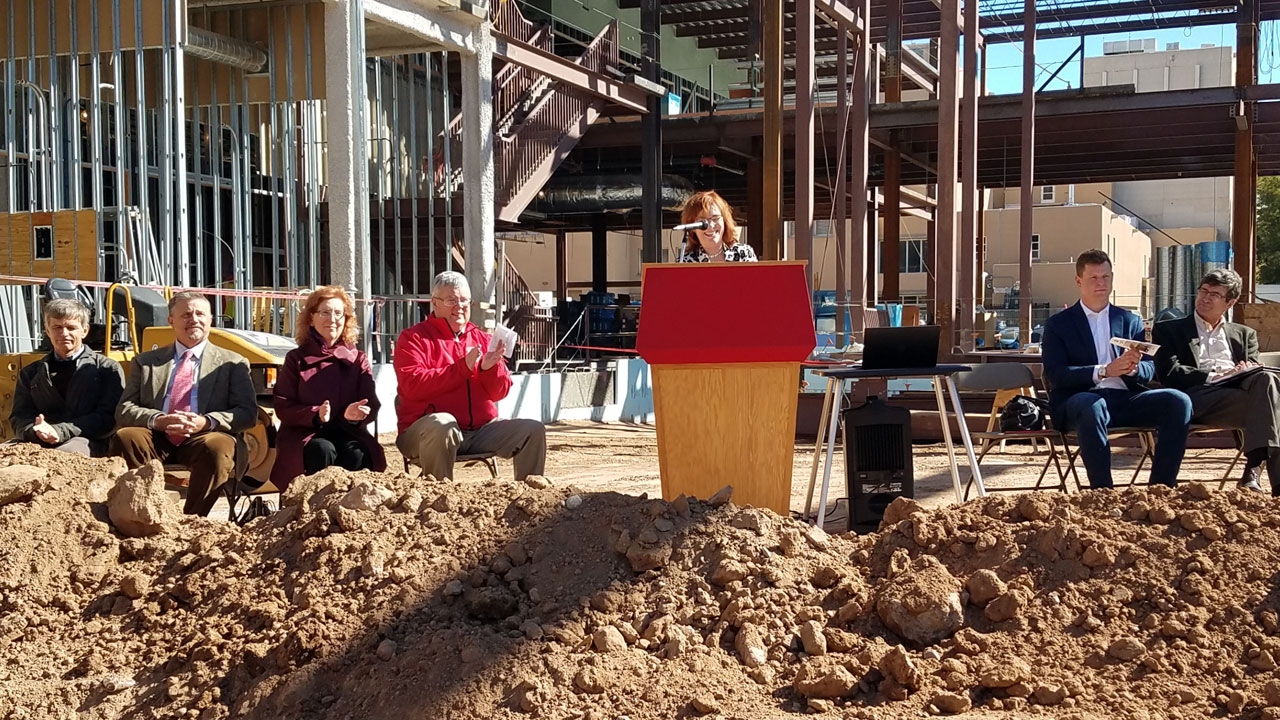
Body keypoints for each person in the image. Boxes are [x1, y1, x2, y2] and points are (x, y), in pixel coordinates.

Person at [1042, 249, 1191, 489]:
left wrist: (1131, 368)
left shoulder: (1130, 320)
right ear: (1078, 281)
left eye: (1106, 277)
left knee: (1178, 401)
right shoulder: (1059, 324)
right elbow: (1056, 375)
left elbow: (1149, 369)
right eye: (1094, 278)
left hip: (1124, 398)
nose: (1101, 283)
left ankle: (1161, 488)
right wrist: (1103, 371)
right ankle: (1102, 492)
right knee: (1092, 404)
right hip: (1079, 401)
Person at [112, 291, 258, 516]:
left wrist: (206, 422)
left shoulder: (233, 363)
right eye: (186, 314)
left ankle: (192, 520)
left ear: (210, 320)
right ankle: (143, 513)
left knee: (218, 447)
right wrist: (157, 420)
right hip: (157, 436)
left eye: (200, 314)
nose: (194, 319)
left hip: (205, 435)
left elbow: (247, 413)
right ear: (171, 321)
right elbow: (124, 409)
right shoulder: (147, 362)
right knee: (127, 437)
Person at [395, 271, 546, 482]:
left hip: (480, 431)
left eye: (464, 300)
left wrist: (489, 369)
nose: (459, 306)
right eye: (451, 300)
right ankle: (437, 499)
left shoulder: (483, 338)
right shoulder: (414, 339)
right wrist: (461, 368)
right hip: (425, 432)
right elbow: (413, 385)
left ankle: (529, 499)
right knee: (442, 423)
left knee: (532, 429)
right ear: (434, 303)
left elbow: (500, 392)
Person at [1153, 268, 1280, 493]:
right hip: (1195, 397)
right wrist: (1215, 375)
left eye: (1214, 294)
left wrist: (1240, 371)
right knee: (1273, 402)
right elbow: (1169, 373)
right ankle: (1258, 473)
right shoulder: (1169, 330)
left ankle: (1254, 471)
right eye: (1203, 291)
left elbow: (1254, 379)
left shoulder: (1244, 334)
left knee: (1266, 382)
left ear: (1230, 303)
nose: (1205, 298)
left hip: (1237, 401)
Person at [271, 286, 386, 490]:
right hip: (304, 435)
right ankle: (312, 512)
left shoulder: (358, 358)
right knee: (322, 450)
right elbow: (283, 406)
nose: (332, 319)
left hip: (348, 431)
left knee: (357, 452)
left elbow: (371, 403)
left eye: (338, 313)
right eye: (325, 312)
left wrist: (354, 414)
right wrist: (316, 414)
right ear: (311, 318)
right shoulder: (296, 359)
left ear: (346, 319)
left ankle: (352, 512)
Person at [9, 299, 124, 456]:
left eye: (71, 328)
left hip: (89, 440)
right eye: (57, 327)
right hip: (37, 440)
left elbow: (108, 418)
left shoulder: (106, 369)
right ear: (47, 330)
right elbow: (19, 416)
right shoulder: (31, 373)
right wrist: (35, 431)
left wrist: (60, 431)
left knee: (61, 457)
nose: (64, 334)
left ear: (85, 330)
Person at [677, 190, 758, 263]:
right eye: (702, 221)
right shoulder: (684, 262)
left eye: (715, 218)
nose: (710, 225)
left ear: (724, 221)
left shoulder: (743, 253)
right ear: (692, 227)